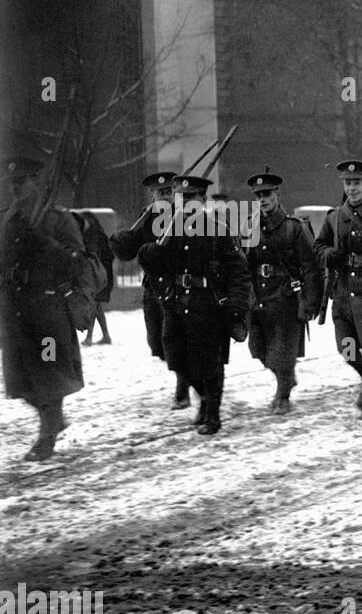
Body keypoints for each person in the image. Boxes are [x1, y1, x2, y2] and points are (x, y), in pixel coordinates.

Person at [137, 174, 252, 437]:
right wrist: (150, 256)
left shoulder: (217, 230)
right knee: (177, 359)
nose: (186, 203)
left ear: (202, 200)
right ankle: (203, 398)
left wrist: (236, 305)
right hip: (176, 303)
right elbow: (152, 266)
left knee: (209, 362)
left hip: (207, 305)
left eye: (192, 198)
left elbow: (239, 271)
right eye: (181, 197)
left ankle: (212, 413)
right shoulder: (168, 231)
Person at [1, 157, 97, 460]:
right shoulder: (7, 219)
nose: (16, 188)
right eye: (12, 183)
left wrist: (43, 242)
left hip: (47, 311)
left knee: (48, 373)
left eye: (22, 181)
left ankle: (46, 437)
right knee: (20, 380)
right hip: (16, 311)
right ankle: (54, 419)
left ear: (36, 182)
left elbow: (78, 263)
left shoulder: (57, 218)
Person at [111, 172, 195, 407]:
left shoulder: (187, 217)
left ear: (175, 193)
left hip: (178, 288)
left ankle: (183, 386)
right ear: (152, 195)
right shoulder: (145, 218)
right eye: (160, 192)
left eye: (169, 191)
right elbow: (129, 252)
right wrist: (120, 241)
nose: (164, 196)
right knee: (157, 343)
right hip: (153, 289)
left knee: (176, 339)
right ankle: (185, 375)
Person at [244, 172, 322, 413]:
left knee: (283, 351)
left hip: (287, 297)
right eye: (258, 196)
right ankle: (286, 378)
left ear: (277, 194)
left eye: (267, 194)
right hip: (259, 298)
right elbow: (244, 264)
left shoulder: (294, 228)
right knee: (259, 350)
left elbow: (311, 267)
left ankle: (283, 395)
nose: (262, 200)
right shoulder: (250, 226)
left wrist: (310, 302)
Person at [314, 160, 362, 419]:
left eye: (357, 182)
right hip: (343, 292)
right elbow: (318, 248)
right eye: (348, 183)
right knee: (346, 348)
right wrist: (331, 254)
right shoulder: (334, 217)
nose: (352, 188)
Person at [71, 209, 114, 344]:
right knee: (96, 305)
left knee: (92, 304)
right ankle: (105, 336)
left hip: (97, 274)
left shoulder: (92, 235)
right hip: (100, 274)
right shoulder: (96, 234)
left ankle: (89, 337)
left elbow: (91, 255)